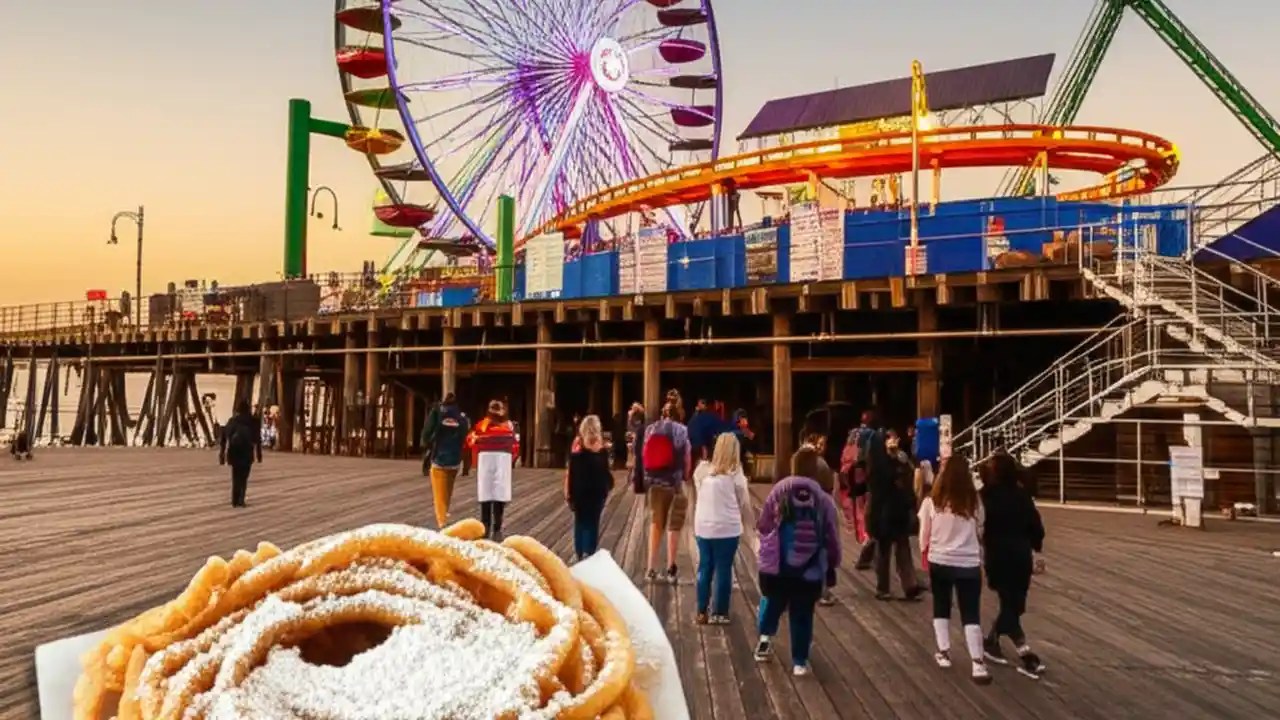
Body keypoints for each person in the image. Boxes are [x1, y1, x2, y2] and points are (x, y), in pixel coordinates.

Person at [753, 474, 842, 677]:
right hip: (809, 570)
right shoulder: (823, 500)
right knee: (802, 613)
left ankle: (765, 640)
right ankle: (799, 662)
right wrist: (832, 564)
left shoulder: (779, 491)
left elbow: (765, 524)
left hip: (778, 565)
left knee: (773, 603)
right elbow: (832, 537)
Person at [919, 455, 990, 684]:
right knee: (971, 612)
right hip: (968, 562)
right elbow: (980, 530)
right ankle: (977, 662)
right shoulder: (974, 502)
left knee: (941, 605)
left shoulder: (932, 501)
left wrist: (925, 551)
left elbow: (924, 534)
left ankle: (944, 651)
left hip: (940, 560)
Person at [980, 452, 1047, 679]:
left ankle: (992, 641)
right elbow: (1036, 526)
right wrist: (1037, 547)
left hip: (997, 555)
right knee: (1015, 603)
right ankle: (1024, 651)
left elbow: (981, 526)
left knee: (1009, 602)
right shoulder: (1022, 496)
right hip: (1020, 555)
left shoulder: (986, 495)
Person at [693, 432, 752, 624]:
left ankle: (701, 611)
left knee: (705, 567)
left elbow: (698, 490)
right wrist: (750, 523)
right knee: (724, 568)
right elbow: (744, 502)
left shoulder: (702, 470)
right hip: (727, 527)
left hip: (704, 525)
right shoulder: (736, 475)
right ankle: (720, 612)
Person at [636, 401, 692, 582]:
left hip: (655, 482)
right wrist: (685, 476)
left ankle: (651, 568)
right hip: (674, 484)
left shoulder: (651, 429)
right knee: (673, 526)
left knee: (656, 523)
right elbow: (687, 458)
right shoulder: (682, 431)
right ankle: (670, 568)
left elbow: (644, 455)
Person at [866, 432, 923, 601]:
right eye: (890, 438)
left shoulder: (900, 459)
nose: (894, 441)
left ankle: (910, 585)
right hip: (884, 512)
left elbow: (908, 475)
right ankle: (883, 588)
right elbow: (879, 482)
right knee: (884, 551)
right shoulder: (878, 463)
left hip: (898, 510)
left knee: (903, 548)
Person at [792, 433, 839, 606]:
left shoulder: (787, 488)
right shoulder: (822, 464)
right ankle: (823, 590)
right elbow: (828, 486)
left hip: (799, 515)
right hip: (820, 509)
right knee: (821, 551)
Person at [565, 415, 614, 561]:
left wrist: (568, 490)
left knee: (580, 521)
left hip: (579, 489)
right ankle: (589, 551)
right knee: (593, 521)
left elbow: (571, 470)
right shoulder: (601, 448)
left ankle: (579, 552)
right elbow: (605, 470)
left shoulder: (577, 445)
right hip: (597, 490)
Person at [470, 399, 519, 540]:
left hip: (486, 459)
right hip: (502, 458)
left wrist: (476, 457)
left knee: (486, 493)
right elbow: (516, 444)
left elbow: (472, 441)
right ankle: (497, 528)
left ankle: (485, 528)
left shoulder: (482, 425)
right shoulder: (509, 426)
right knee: (499, 493)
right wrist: (512, 458)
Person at [422, 393, 471, 529]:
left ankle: (442, 521)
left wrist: (426, 444)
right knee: (448, 491)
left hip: (439, 458)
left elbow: (427, 432)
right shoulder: (461, 417)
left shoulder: (437, 412)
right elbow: (465, 439)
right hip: (455, 460)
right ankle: (445, 514)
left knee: (439, 493)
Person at [219, 401, 262, 508]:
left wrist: (222, 454)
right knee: (244, 477)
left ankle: (234, 499)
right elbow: (257, 439)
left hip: (234, 451)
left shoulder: (232, 421)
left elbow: (224, 437)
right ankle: (241, 499)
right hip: (247, 451)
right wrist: (259, 454)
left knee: (235, 476)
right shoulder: (253, 421)